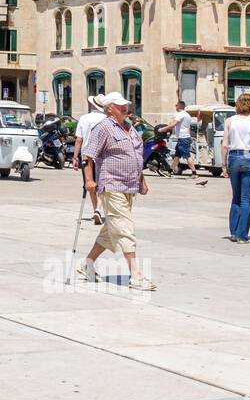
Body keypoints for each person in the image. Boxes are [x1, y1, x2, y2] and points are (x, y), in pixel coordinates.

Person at [76, 92, 156, 291]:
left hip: (129, 186)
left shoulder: (130, 128)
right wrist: (89, 180)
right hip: (111, 185)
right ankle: (135, 275)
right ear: (109, 108)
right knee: (125, 228)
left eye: (126, 105)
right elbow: (88, 155)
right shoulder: (103, 127)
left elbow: (136, 156)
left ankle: (86, 264)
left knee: (111, 231)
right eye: (120, 105)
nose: (125, 108)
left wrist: (141, 179)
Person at [221, 94, 250, 243]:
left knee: (236, 196)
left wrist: (224, 165)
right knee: (245, 198)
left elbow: (225, 144)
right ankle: (242, 234)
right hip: (248, 158)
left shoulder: (229, 121)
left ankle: (233, 231)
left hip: (233, 157)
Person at [73, 95, 108, 226]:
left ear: (93, 105)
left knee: (90, 184)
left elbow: (79, 139)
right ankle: (99, 208)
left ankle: (95, 210)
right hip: (102, 155)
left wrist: (75, 157)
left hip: (86, 155)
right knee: (103, 184)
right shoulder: (107, 119)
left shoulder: (84, 118)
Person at [159, 101, 197, 178]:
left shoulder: (180, 114)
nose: (175, 107)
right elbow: (187, 127)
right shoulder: (187, 115)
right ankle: (169, 172)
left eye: (176, 105)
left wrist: (163, 129)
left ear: (179, 106)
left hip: (183, 138)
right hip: (184, 137)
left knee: (187, 156)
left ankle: (194, 173)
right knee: (177, 156)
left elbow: (173, 124)